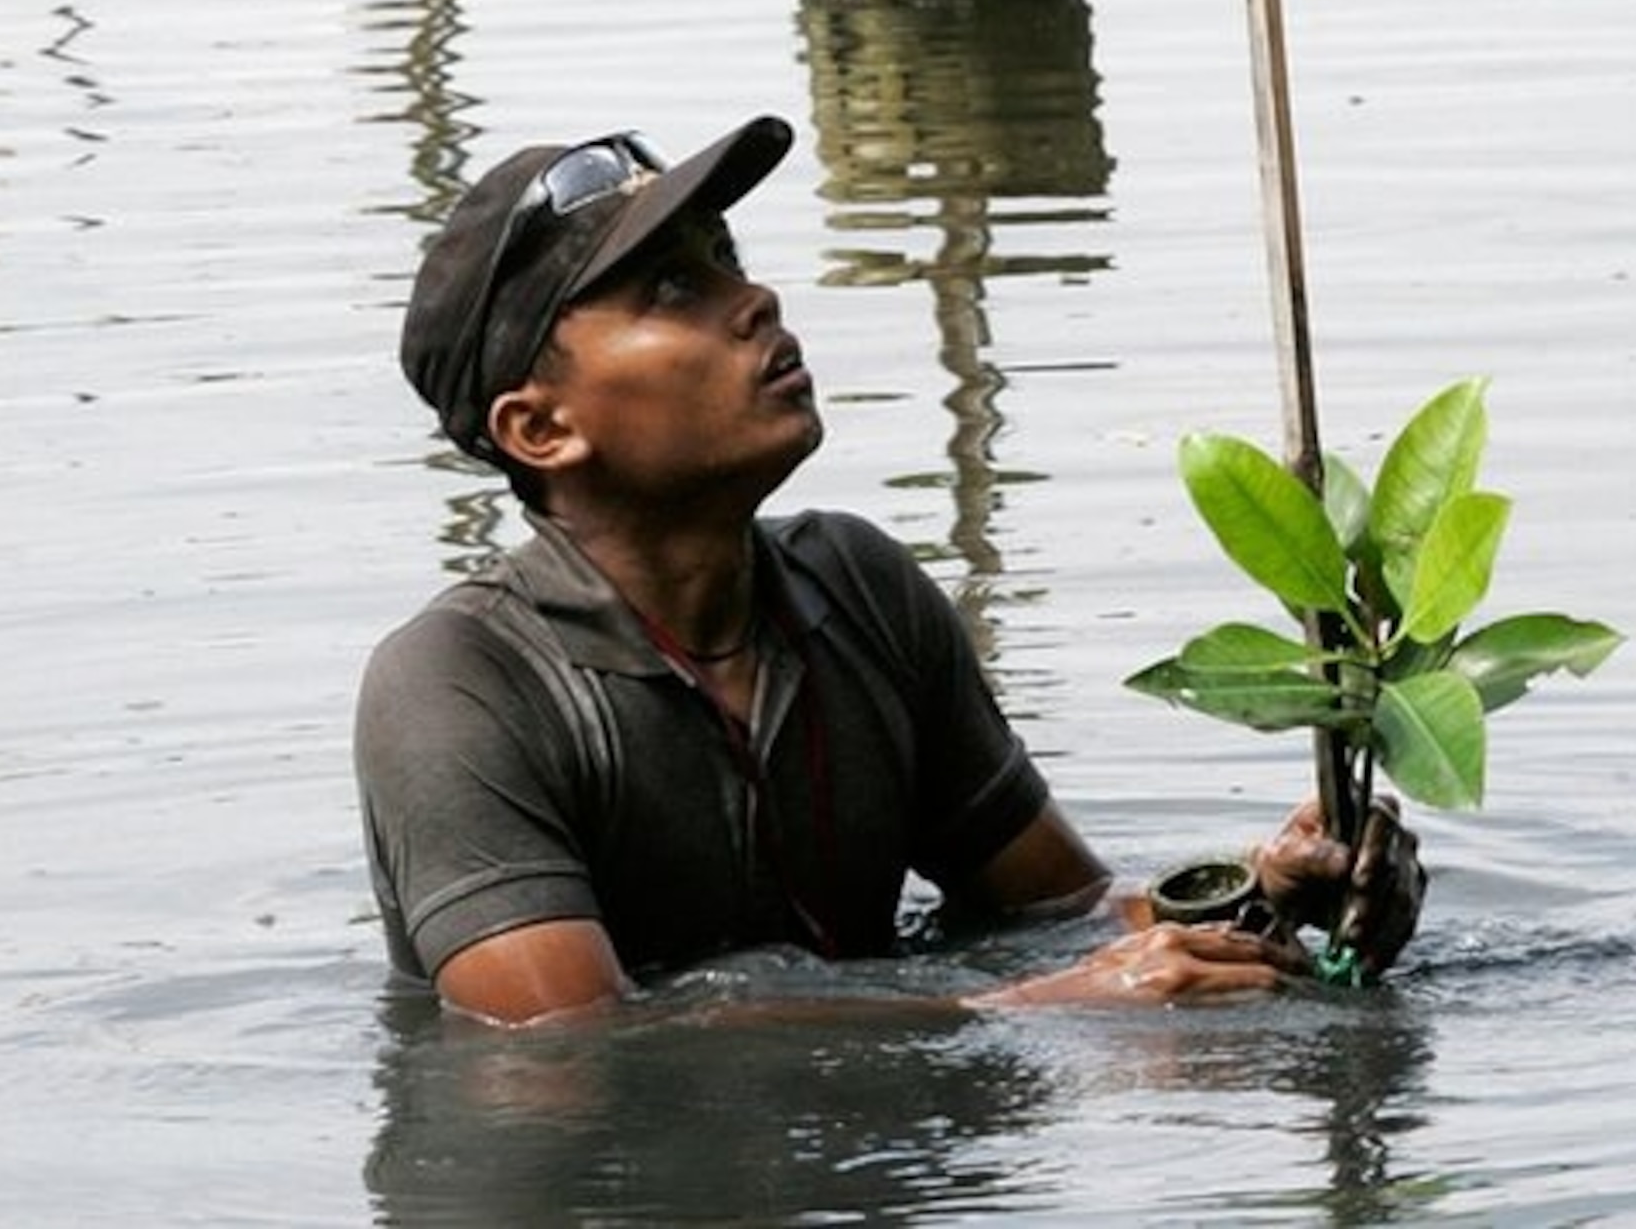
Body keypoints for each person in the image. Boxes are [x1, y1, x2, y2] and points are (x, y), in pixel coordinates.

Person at [353, 115, 1425, 1026]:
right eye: (674, 287)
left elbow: (1059, 917)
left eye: (726, 254)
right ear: (541, 429)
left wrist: (1260, 901)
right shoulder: (459, 687)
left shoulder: (858, 588)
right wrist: (1036, 1008)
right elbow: (572, 1050)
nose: (755, 297)